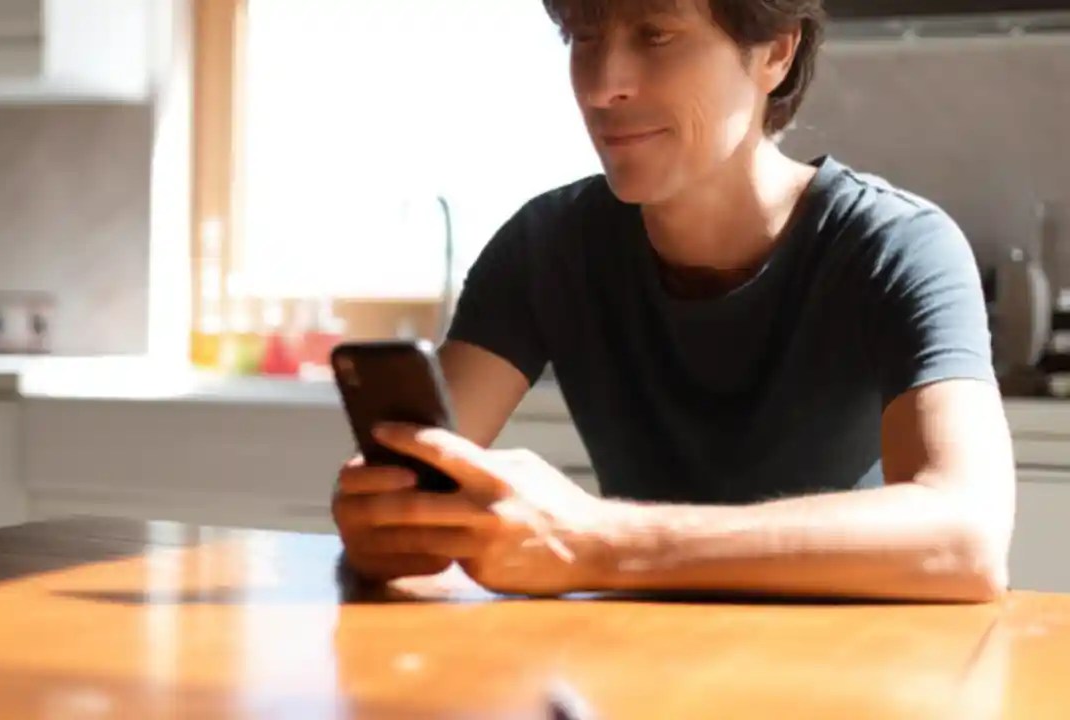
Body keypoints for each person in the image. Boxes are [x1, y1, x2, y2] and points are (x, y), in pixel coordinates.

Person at [332, 0, 1015, 602]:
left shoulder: (897, 246)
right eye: (583, 37)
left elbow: (966, 535)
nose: (603, 86)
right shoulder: (545, 247)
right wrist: (389, 524)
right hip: (637, 676)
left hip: (849, 677)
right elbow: (423, 488)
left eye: (655, 34)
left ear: (776, 51)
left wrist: (599, 541)